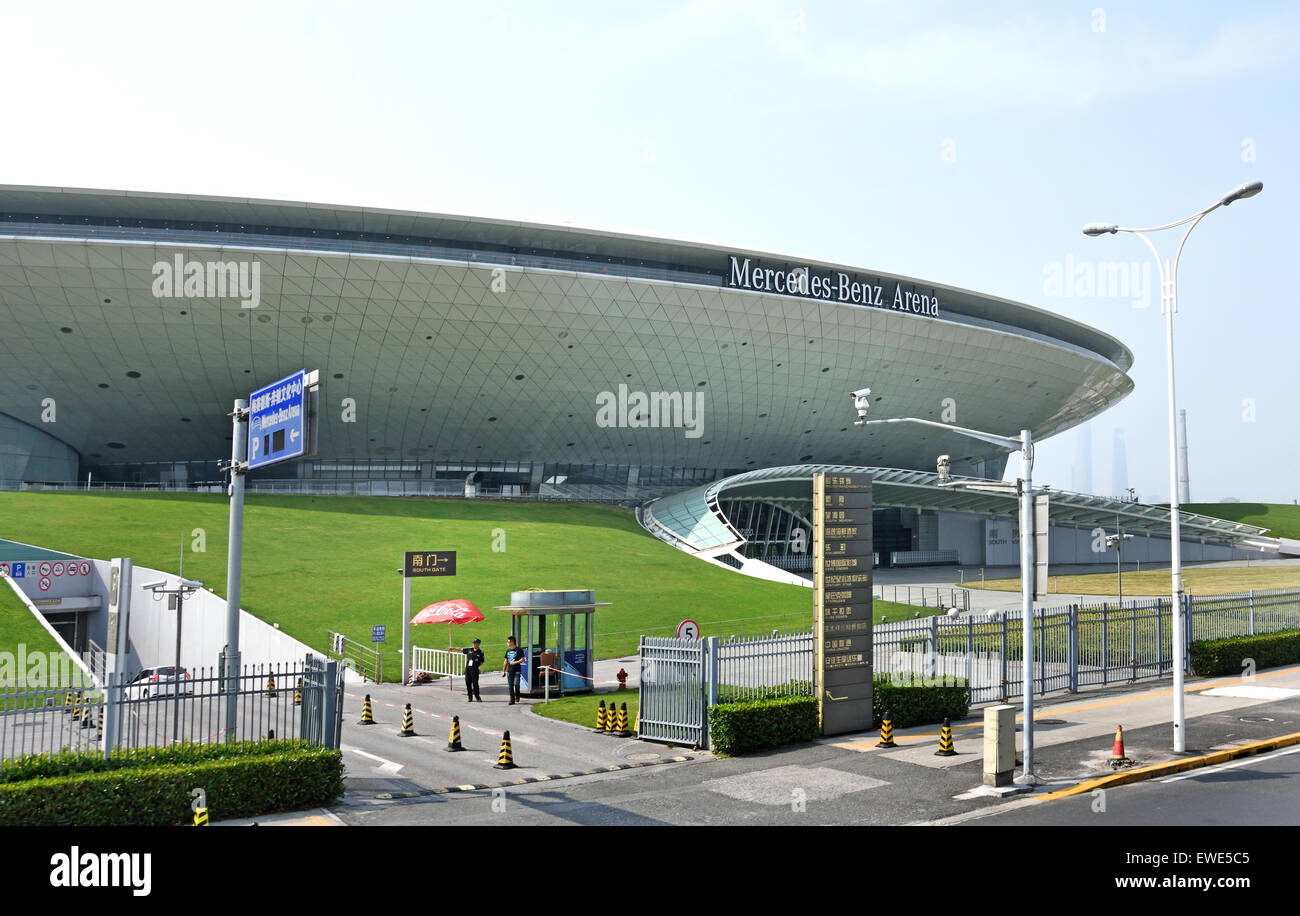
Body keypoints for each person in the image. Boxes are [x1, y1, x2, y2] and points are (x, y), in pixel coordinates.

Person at [502, 636, 524, 705]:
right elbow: (505, 661)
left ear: (512, 642)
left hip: (517, 671)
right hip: (509, 671)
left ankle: (517, 696)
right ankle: (512, 700)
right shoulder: (508, 651)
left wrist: (515, 662)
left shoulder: (519, 650)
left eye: (508, 642)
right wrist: (503, 671)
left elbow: (523, 659)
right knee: (510, 686)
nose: (507, 643)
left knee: (516, 685)